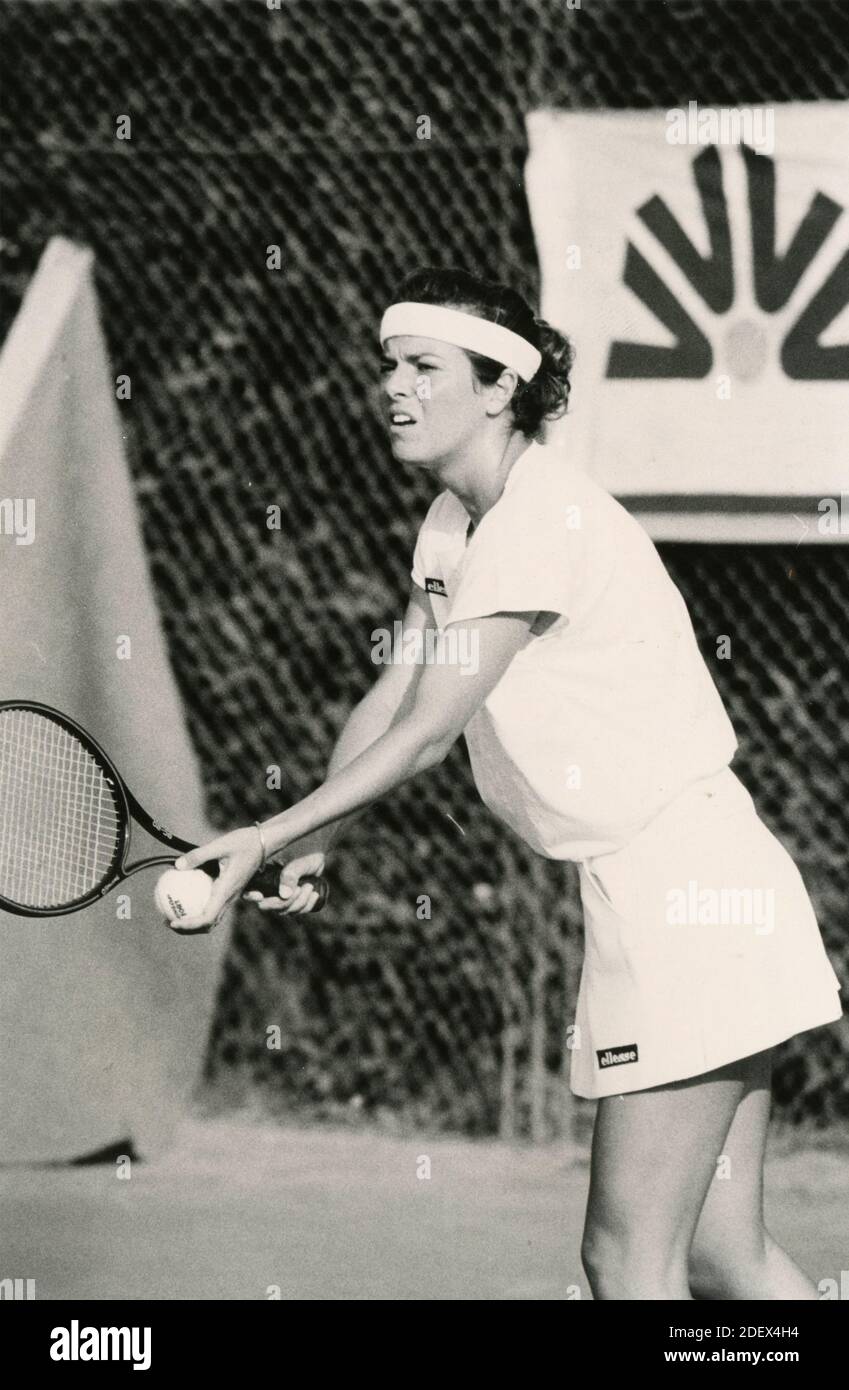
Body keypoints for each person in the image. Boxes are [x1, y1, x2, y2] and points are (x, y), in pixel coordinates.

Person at [176, 267, 842, 1300]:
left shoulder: (544, 521)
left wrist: (263, 835)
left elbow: (435, 732)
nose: (392, 385)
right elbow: (397, 697)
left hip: (687, 899)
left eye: (423, 366)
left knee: (629, 1260)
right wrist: (322, 833)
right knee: (719, 1255)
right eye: (388, 365)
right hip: (682, 891)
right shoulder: (453, 525)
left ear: (498, 389)